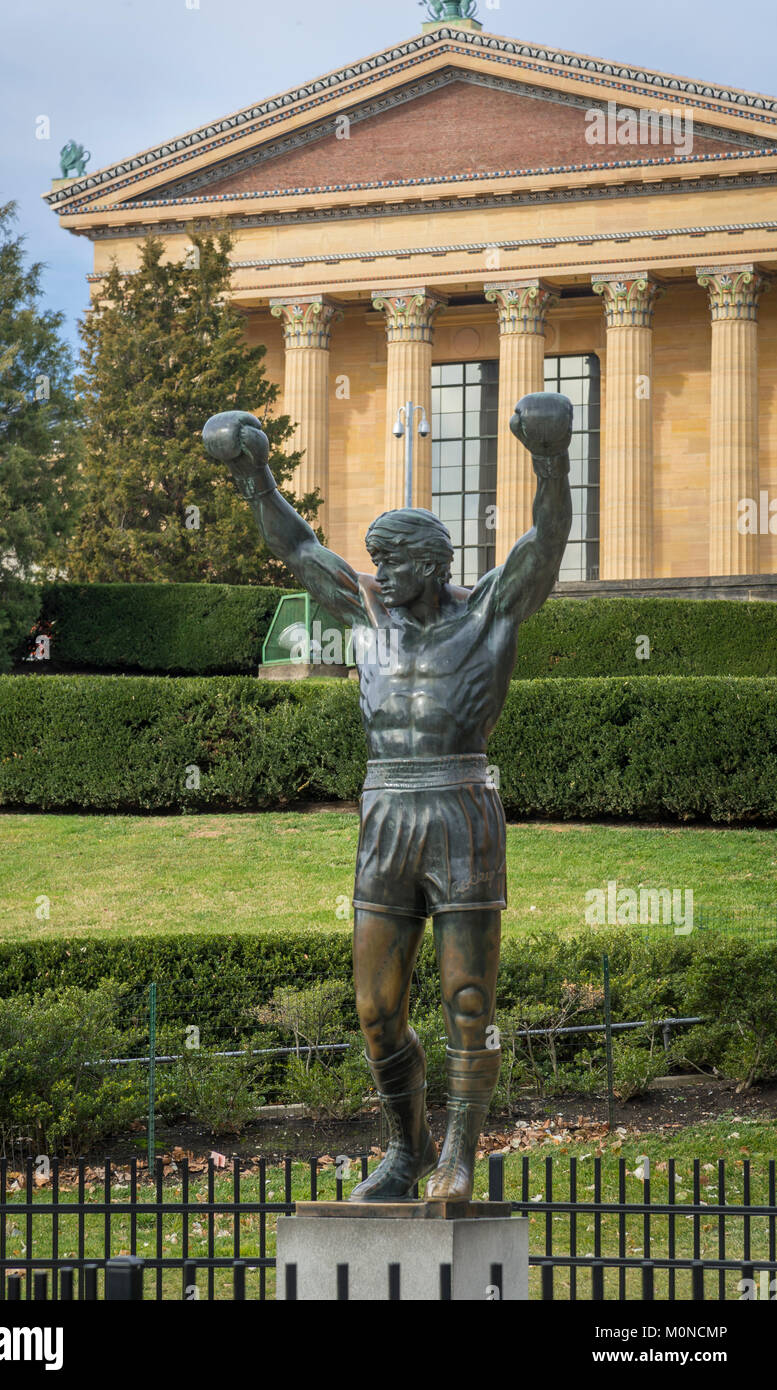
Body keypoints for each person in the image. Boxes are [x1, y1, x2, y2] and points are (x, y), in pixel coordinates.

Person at [202, 391, 573, 1200]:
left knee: (467, 1001)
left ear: (435, 564)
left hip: (460, 806)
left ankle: (459, 1158)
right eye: (376, 559)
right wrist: (254, 474)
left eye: (395, 561)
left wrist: (550, 458)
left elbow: (544, 544)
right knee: (375, 1010)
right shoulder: (367, 613)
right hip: (384, 814)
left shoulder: (488, 615)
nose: (381, 573)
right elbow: (297, 547)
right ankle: (407, 1152)